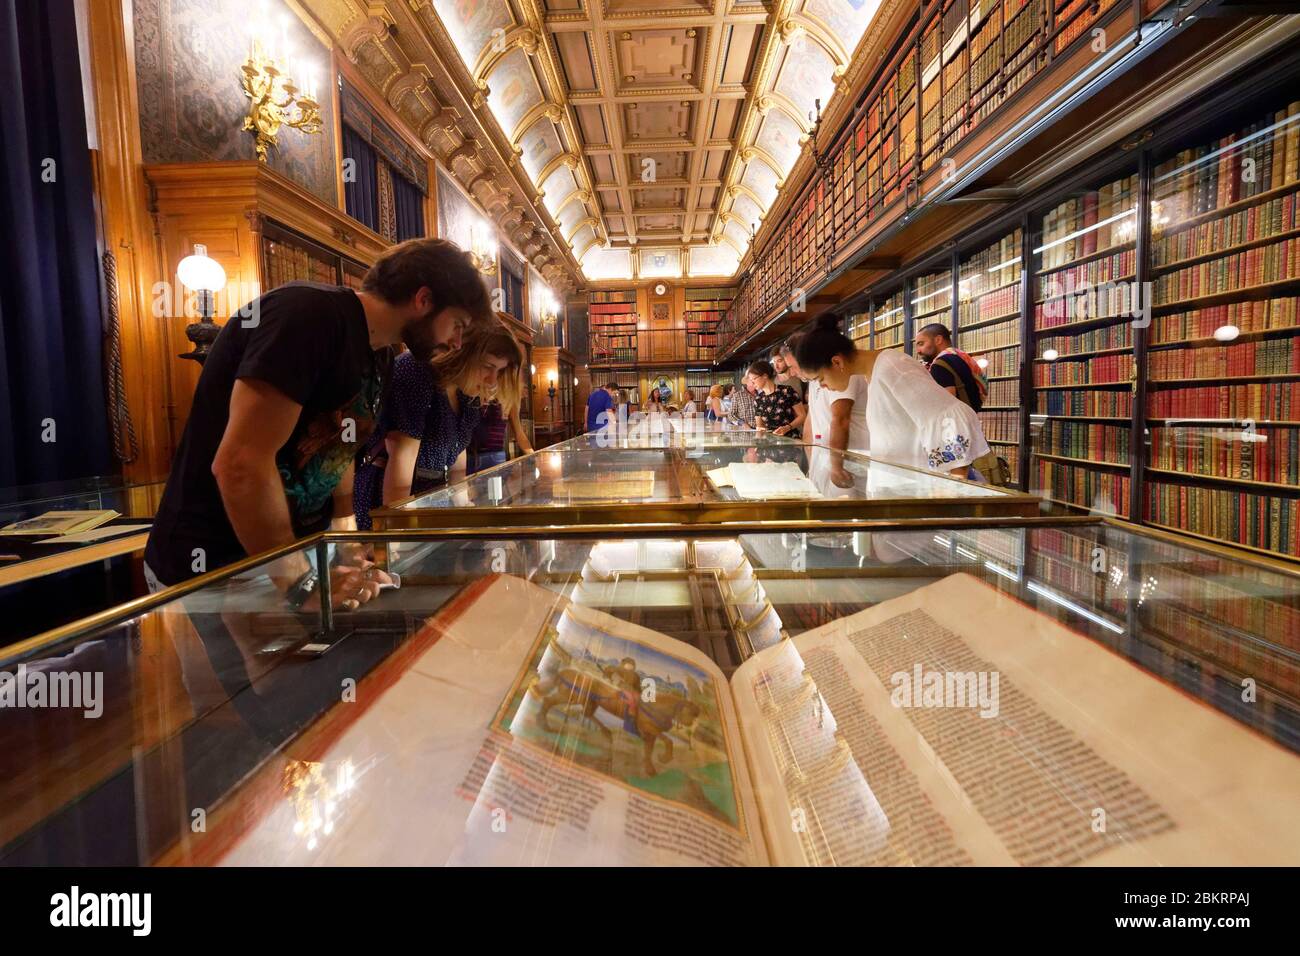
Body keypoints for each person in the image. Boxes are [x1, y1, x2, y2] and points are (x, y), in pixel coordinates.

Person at [143, 238, 492, 608]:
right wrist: (302, 584)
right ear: (423, 300)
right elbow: (241, 465)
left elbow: (336, 449)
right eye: (458, 325)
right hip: (213, 567)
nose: (456, 343)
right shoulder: (308, 315)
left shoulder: (382, 355)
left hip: (285, 561)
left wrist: (344, 545)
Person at [353, 317, 525, 529]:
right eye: (488, 366)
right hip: (389, 501)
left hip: (432, 499)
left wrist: (462, 505)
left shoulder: (467, 392)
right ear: (463, 354)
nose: (492, 379)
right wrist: (395, 531)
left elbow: (458, 457)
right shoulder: (417, 370)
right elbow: (401, 458)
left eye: (499, 371)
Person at [794, 314, 994, 479]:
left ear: (837, 362)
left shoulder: (892, 366)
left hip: (918, 495)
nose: (822, 386)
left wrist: (955, 486)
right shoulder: (873, 374)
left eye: (820, 378)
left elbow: (950, 416)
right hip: (900, 492)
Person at [914, 322, 987, 412]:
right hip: (970, 417)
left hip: (954, 422)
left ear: (938, 340)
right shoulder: (960, 356)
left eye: (921, 344)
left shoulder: (940, 365)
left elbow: (945, 406)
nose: (918, 351)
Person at [750, 359, 806, 438]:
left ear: (765, 376)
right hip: (770, 443)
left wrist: (787, 427)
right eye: (751, 380)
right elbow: (760, 426)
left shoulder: (787, 391)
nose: (752, 383)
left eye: (754, 379)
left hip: (790, 440)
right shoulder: (758, 399)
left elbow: (802, 416)